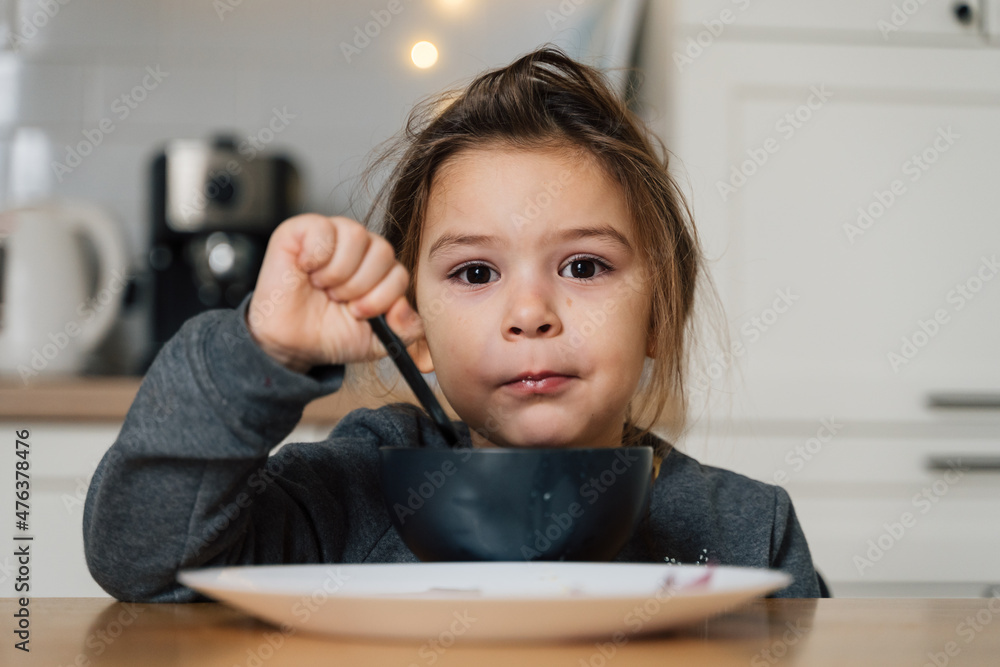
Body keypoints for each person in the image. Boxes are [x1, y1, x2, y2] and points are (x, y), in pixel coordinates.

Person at [83, 46, 827, 601]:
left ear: (661, 313)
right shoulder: (357, 493)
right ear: (413, 325)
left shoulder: (745, 531)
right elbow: (141, 556)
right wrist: (260, 349)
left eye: (583, 267)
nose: (530, 314)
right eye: (475, 273)